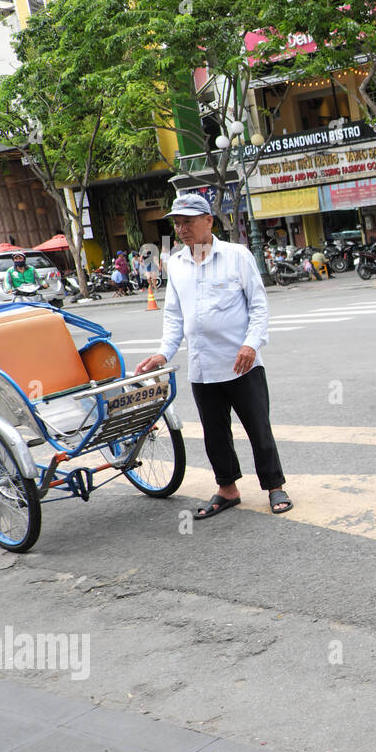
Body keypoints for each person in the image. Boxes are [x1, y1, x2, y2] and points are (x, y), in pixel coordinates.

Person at [134, 193, 292, 517]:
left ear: (209, 221)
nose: (181, 229)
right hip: (202, 367)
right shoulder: (176, 263)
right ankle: (227, 489)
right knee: (215, 433)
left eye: (188, 222)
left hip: (241, 363)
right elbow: (174, 316)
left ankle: (274, 486)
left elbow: (259, 306)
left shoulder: (237, 256)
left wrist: (251, 344)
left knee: (258, 428)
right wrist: (163, 353)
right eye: (177, 223)